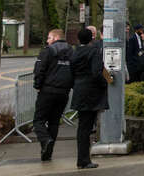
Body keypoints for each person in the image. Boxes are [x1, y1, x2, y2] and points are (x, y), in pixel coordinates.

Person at [32, 29, 73, 162]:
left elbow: (39, 70)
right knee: (54, 122)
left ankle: (45, 140)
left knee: (38, 121)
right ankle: (47, 153)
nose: (47, 40)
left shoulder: (48, 51)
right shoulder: (71, 51)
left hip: (47, 91)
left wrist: (37, 86)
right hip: (64, 92)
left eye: (49, 38)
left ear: (55, 38)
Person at [71, 27, 107, 170]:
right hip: (91, 92)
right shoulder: (94, 52)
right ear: (92, 38)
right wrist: (104, 83)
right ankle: (85, 160)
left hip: (79, 90)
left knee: (82, 128)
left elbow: (72, 71)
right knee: (87, 127)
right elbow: (97, 72)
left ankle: (82, 158)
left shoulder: (75, 53)